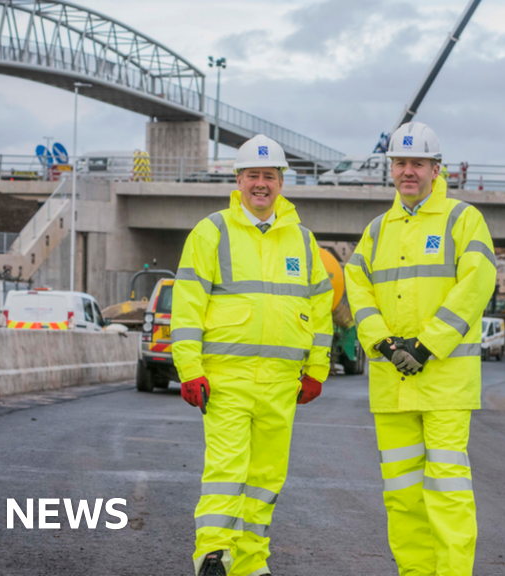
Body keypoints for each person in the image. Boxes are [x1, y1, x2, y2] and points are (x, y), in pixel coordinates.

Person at [170, 134, 334, 576]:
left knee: (264, 479)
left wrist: (317, 369)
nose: (260, 184)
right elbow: (187, 306)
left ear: (282, 182)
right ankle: (214, 555)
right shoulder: (213, 232)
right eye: (252, 176)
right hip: (226, 379)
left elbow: (320, 309)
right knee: (226, 470)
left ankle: (250, 564)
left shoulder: (302, 241)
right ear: (238, 180)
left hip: (282, 383)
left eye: (269, 176)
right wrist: (189, 368)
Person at [344, 121, 497, 575]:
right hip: (392, 385)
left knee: (447, 490)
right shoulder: (376, 231)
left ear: (436, 169)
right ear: (390, 169)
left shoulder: (461, 219)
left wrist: (428, 345)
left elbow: (477, 282)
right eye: (401, 163)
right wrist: (385, 344)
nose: (408, 172)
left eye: (418, 164)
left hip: (445, 383)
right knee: (402, 494)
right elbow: (359, 290)